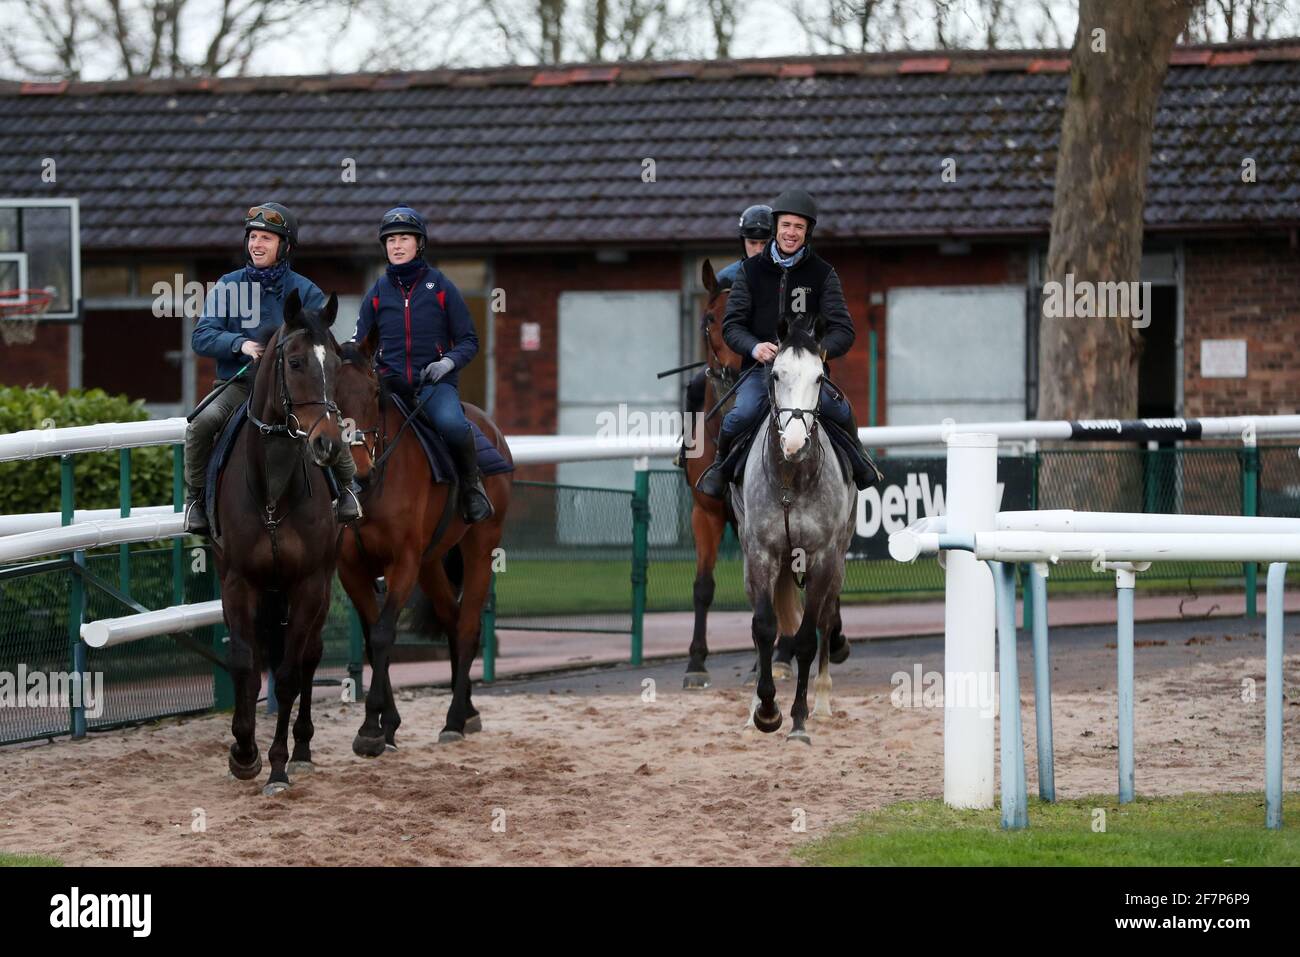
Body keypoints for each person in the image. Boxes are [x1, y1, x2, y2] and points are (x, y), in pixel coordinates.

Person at [184, 203, 361, 534]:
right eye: (252, 237)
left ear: (286, 247)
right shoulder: (228, 285)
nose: (256, 244)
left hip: (294, 391)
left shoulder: (306, 291)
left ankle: (348, 489)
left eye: (266, 237)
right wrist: (240, 345)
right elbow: (201, 336)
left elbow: (321, 345)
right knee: (202, 422)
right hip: (237, 387)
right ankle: (195, 498)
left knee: (329, 422)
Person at [694, 188, 878, 498]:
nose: (791, 233)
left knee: (841, 411)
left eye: (799, 227)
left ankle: (861, 463)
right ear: (776, 227)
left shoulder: (823, 274)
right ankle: (721, 469)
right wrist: (754, 347)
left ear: (808, 233)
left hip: (806, 374)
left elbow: (843, 330)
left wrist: (818, 354)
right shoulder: (750, 272)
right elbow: (732, 325)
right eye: (786, 226)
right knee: (741, 414)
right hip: (759, 369)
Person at [353, 206, 494, 524]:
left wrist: (447, 363)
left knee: (453, 426)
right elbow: (361, 344)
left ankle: (471, 489)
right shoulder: (376, 293)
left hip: (434, 385)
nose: (397, 246)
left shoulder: (442, 287)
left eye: (404, 238)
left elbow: (469, 340)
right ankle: (347, 491)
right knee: (351, 425)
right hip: (388, 385)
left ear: (420, 244)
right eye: (390, 241)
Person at [675, 204, 773, 468]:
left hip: (770, 362)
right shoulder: (727, 278)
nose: (759, 249)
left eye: (765, 243)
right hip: (732, 357)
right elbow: (712, 323)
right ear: (744, 243)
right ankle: (686, 449)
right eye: (753, 242)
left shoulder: (785, 277)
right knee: (695, 386)